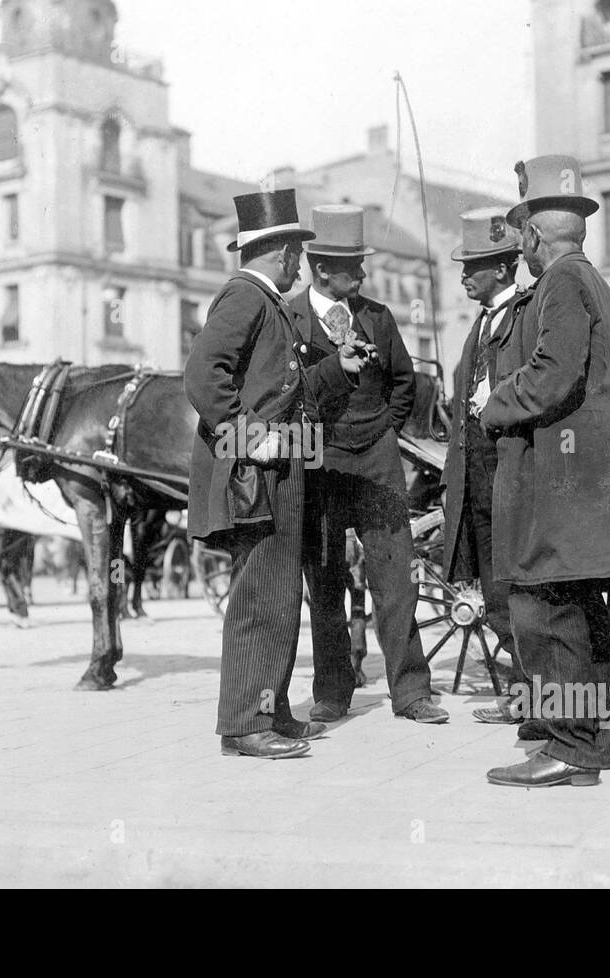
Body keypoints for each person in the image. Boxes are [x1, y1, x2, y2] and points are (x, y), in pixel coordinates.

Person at [185, 189, 368, 759]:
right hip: (255, 474)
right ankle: (244, 725)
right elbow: (201, 376)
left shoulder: (263, 302)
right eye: (295, 252)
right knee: (260, 597)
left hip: (281, 469)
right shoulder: (244, 298)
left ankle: (272, 709)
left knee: (282, 593)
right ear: (283, 252)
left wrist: (334, 372)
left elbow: (284, 390)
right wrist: (249, 434)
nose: (298, 264)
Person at [479, 155, 610, 787]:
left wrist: (492, 406)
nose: (519, 246)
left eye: (521, 232)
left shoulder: (560, 285)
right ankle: (586, 749)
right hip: (591, 485)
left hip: (562, 488)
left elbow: (552, 374)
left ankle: (567, 748)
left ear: (535, 236)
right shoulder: (597, 282)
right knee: (579, 618)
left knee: (543, 618)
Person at [290, 204, 449, 726]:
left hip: (378, 463)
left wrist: (385, 427)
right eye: (352, 267)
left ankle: (410, 692)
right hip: (319, 465)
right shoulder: (288, 317)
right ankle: (333, 692)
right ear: (321, 269)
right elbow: (284, 393)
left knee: (396, 579)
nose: (362, 275)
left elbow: (405, 382)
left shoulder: (377, 317)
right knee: (326, 580)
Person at [436, 209, 536, 730]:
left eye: (473, 265)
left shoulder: (526, 314)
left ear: (503, 268)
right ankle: (525, 694)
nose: (463, 274)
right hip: (476, 476)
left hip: (511, 475)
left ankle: (534, 698)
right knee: (495, 594)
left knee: (517, 592)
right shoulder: (480, 323)